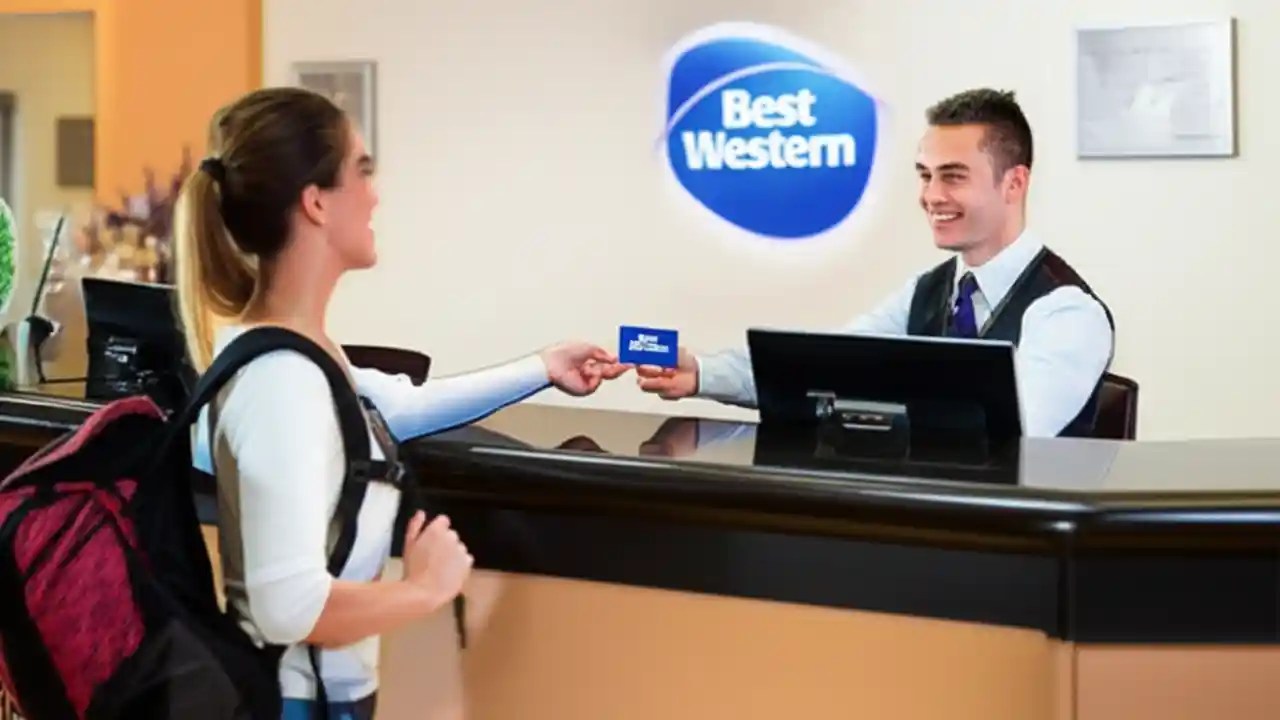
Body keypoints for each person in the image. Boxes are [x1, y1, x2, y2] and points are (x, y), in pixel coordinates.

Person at [173, 86, 625, 719]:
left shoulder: (299, 355)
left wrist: (543, 368)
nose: (375, 193)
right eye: (360, 171)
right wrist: (425, 590)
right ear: (315, 204)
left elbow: (398, 408)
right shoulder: (282, 383)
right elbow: (288, 609)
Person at [633, 88, 1114, 438]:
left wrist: (886, 398)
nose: (930, 196)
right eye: (924, 176)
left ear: (1014, 183)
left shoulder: (1068, 311)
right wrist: (700, 372)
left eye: (953, 177)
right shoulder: (929, 291)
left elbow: (1014, 433)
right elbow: (826, 363)